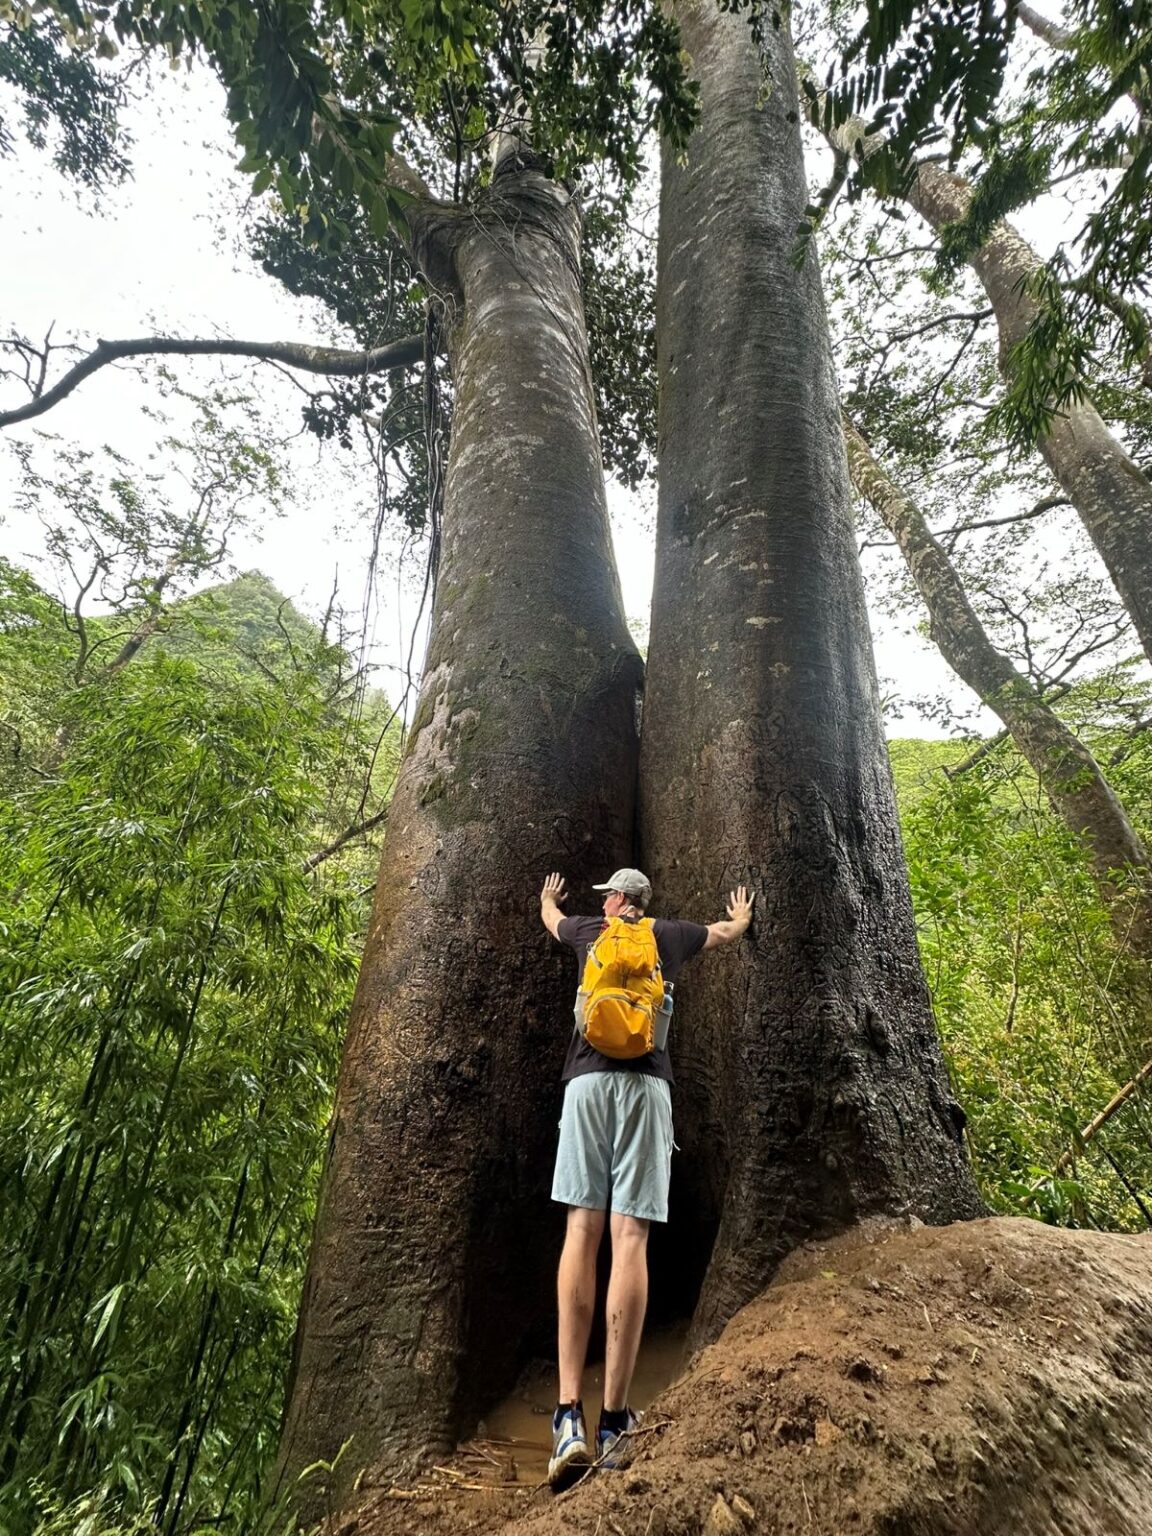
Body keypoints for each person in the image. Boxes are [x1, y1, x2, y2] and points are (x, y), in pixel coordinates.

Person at [538, 866, 754, 1486]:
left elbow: (551, 921)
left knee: (582, 1230)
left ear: (613, 902)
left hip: (586, 1086)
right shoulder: (671, 935)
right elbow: (721, 932)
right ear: (645, 903)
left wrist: (549, 900)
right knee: (631, 1239)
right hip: (648, 1090)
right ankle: (613, 1420)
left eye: (606, 893)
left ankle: (566, 1417)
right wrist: (740, 919)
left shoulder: (587, 931)